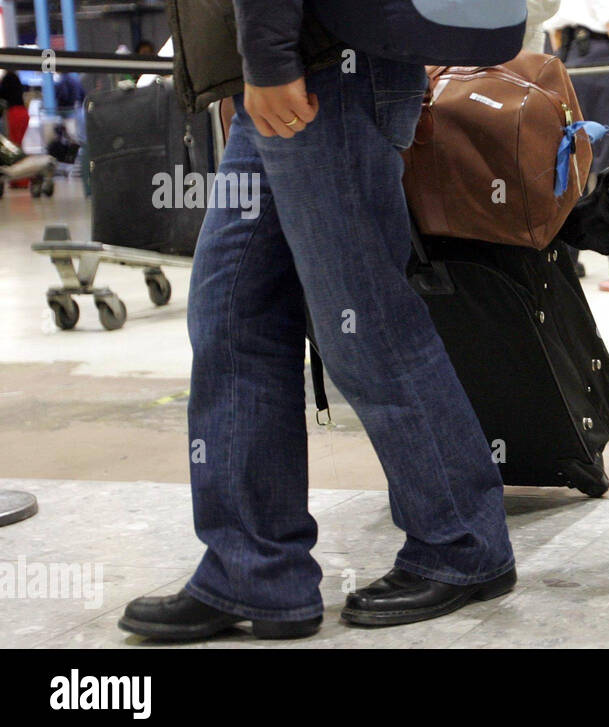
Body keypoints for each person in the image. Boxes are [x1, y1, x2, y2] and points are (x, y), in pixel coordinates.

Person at [119, 1, 517, 641]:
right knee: (230, 314)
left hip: (324, 64)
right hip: (294, 64)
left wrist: (271, 56)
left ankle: (463, 543)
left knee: (363, 322)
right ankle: (253, 569)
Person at [545, 0, 609, 290]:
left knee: (570, 162)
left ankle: (566, 259)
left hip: (564, 57)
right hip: (601, 61)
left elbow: (551, 26)